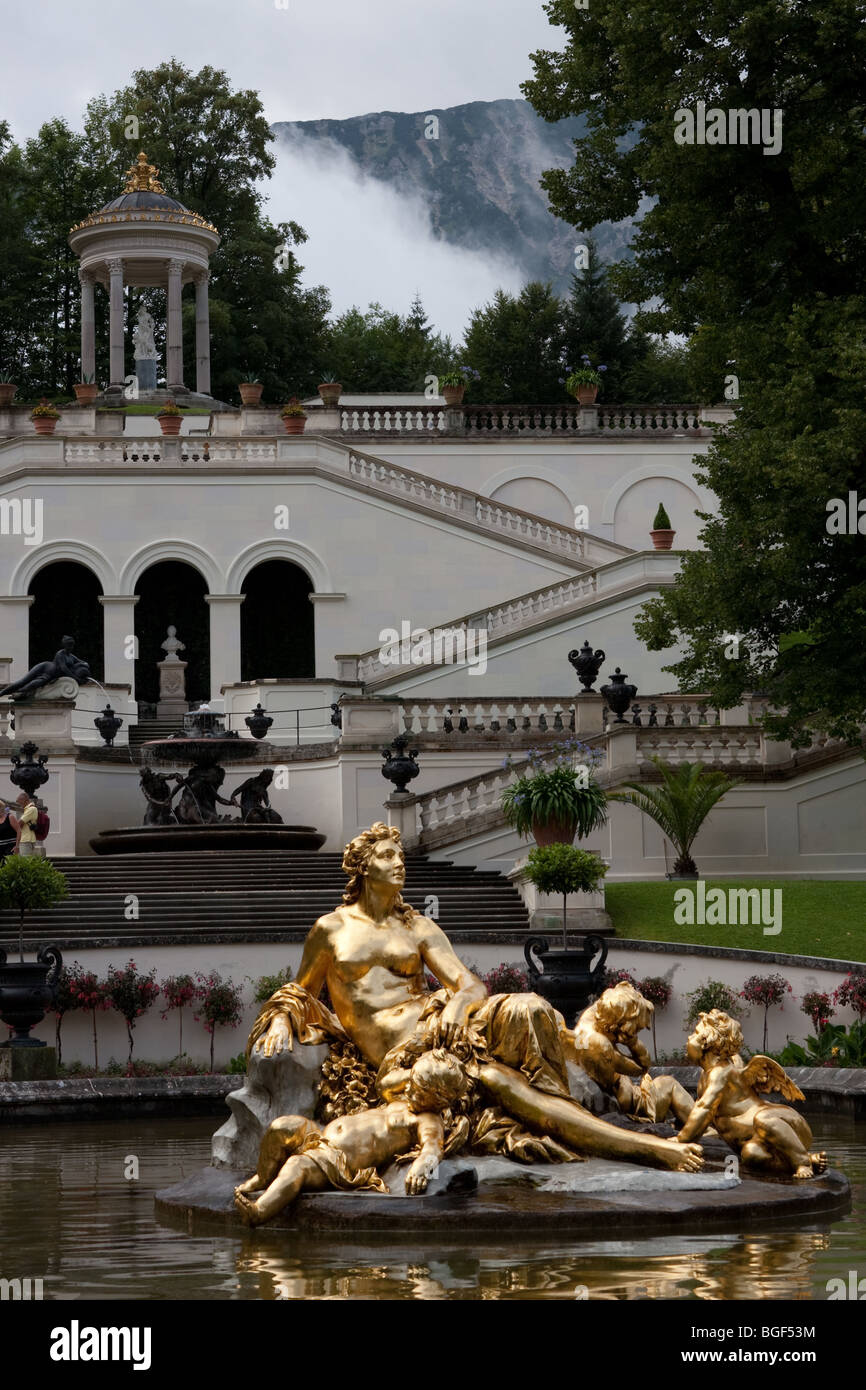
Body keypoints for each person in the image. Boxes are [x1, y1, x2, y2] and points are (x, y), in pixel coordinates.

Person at [248, 822, 704, 1173]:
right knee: (504, 1085)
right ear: (364, 866)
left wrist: (456, 1004)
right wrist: (283, 1019)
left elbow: (469, 984)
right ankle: (643, 1144)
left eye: (401, 855)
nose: (399, 863)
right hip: (404, 1052)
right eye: (387, 856)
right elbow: (298, 990)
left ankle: (576, 1104)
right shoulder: (331, 929)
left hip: (444, 1023)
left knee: (532, 1007)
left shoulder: (418, 927)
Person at [234, 1048, 468, 1226]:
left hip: (338, 1161)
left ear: (439, 1099)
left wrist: (422, 1167)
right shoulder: (405, 1099)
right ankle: (263, 1178)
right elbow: (385, 1084)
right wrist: (415, 1073)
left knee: (297, 1166)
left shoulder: (428, 1120)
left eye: (417, 1089)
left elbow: (433, 1148)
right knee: (281, 1127)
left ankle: (259, 1211)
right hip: (319, 1134)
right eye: (411, 1083)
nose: (408, 1089)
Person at [676, 1010, 828, 1178]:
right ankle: (799, 1162)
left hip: (783, 1127)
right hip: (757, 1141)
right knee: (750, 1154)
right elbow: (702, 1114)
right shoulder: (706, 1076)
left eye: (695, 1034)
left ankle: (802, 1161)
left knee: (763, 1120)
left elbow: (705, 1109)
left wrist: (681, 1140)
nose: (689, 1038)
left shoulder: (720, 1072)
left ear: (708, 1043)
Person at [0, 635, 92, 700]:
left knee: (34, 684)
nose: (71, 647)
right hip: (45, 668)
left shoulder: (71, 656)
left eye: (72, 645)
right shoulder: (60, 654)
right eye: (69, 645)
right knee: (23, 681)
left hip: (50, 676)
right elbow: (64, 669)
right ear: (65, 645)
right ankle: (2, 693)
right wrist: (76, 678)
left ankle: (20, 693)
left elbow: (83, 662)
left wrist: (84, 665)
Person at [12, 792, 44, 857]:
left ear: (24, 800)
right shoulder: (28, 809)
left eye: (19, 801)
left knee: (25, 861)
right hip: (26, 839)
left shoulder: (31, 809)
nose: (19, 803)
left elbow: (19, 824)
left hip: (26, 839)